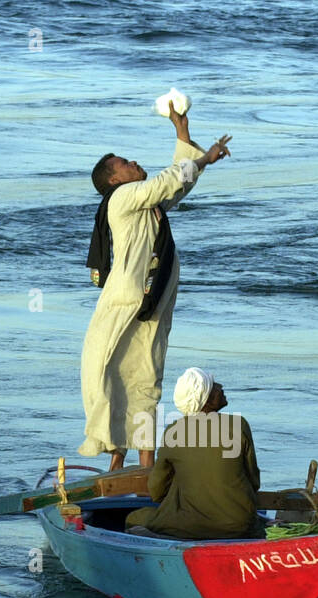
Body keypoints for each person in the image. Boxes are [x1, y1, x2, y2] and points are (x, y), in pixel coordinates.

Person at [80, 104, 233, 471]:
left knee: (147, 378)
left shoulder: (148, 203)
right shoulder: (121, 198)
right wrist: (205, 157)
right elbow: (167, 181)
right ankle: (120, 464)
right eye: (126, 164)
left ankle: (141, 467)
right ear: (116, 180)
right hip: (128, 302)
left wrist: (182, 134)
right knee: (115, 372)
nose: (134, 163)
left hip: (152, 301)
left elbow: (176, 187)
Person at [124, 368, 266, 540]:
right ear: (205, 398)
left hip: (190, 525)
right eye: (214, 385)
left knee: (133, 519)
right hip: (239, 524)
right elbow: (254, 482)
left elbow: (156, 491)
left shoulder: (173, 432)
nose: (220, 387)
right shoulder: (238, 424)